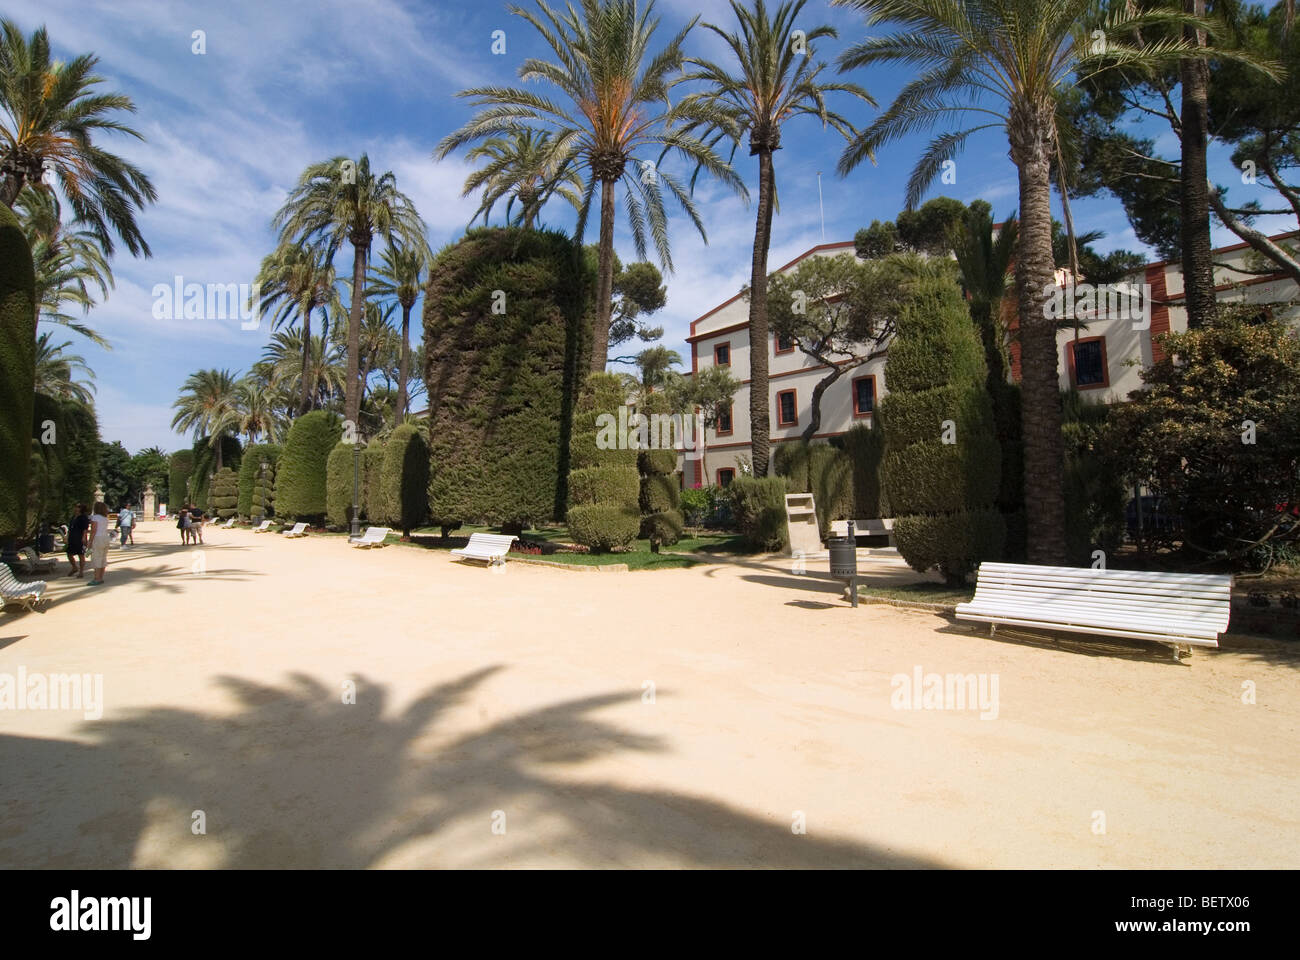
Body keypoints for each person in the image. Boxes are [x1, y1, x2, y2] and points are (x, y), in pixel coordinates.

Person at [88, 502, 111, 586]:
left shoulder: (95, 518)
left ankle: (96, 578)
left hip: (98, 538)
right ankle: (100, 577)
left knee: (97, 557)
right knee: (103, 558)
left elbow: (93, 531)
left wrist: (90, 542)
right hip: (105, 538)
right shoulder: (105, 518)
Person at [66, 504, 90, 578]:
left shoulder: (83, 517)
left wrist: (84, 538)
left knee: (81, 554)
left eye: (78, 507)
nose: (76, 508)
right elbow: (70, 528)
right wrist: (67, 537)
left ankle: (81, 571)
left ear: (81, 509)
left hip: (79, 537)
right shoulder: (73, 517)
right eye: (76, 506)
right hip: (72, 537)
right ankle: (74, 567)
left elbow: (85, 529)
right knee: (69, 553)